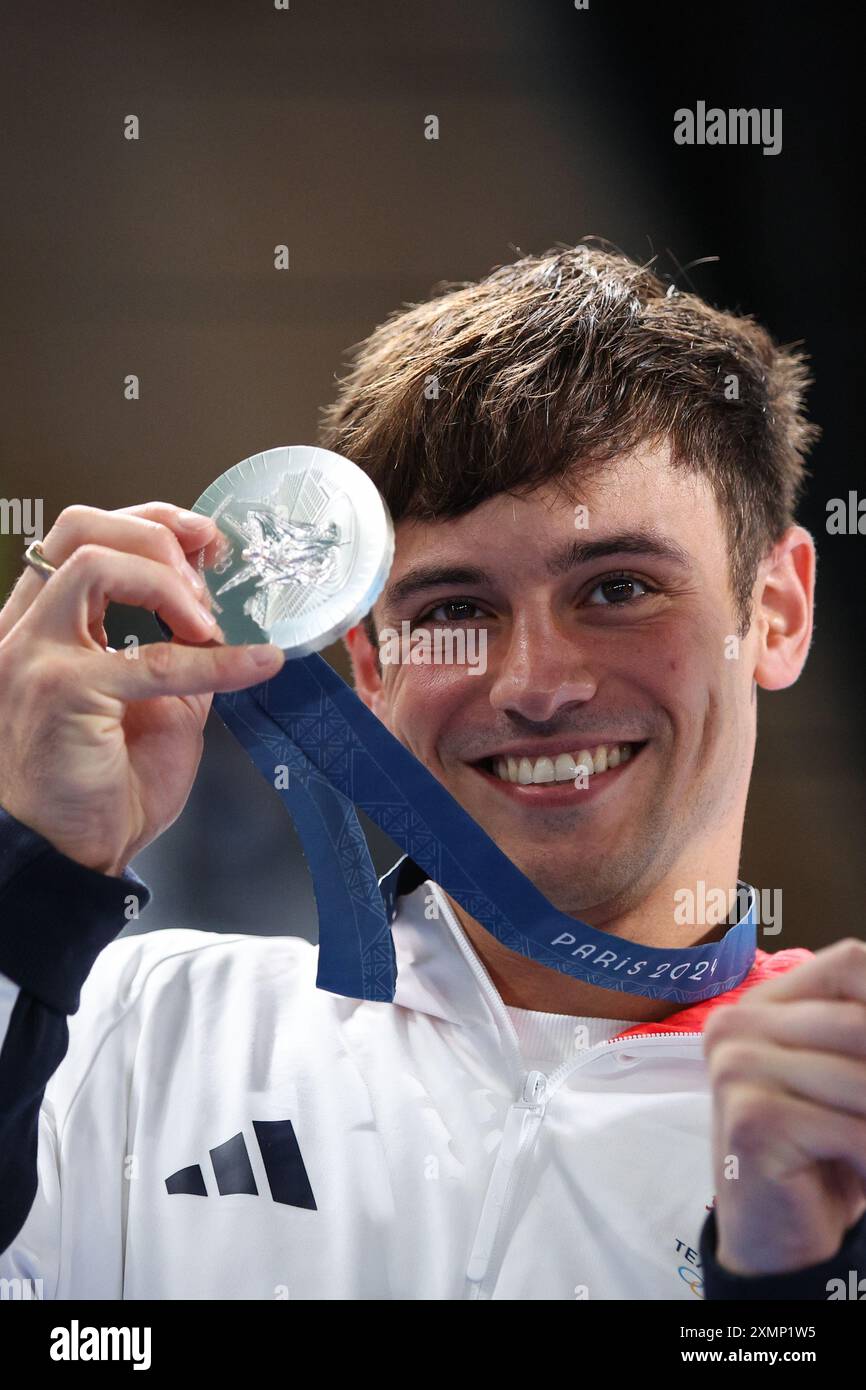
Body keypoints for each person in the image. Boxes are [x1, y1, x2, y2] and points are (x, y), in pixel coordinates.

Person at [1, 244, 864, 1301]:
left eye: (618, 588)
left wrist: (789, 1291)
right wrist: (28, 876)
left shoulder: (836, 1126)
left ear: (772, 610)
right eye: (454, 610)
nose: (534, 684)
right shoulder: (122, 1034)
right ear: (367, 662)